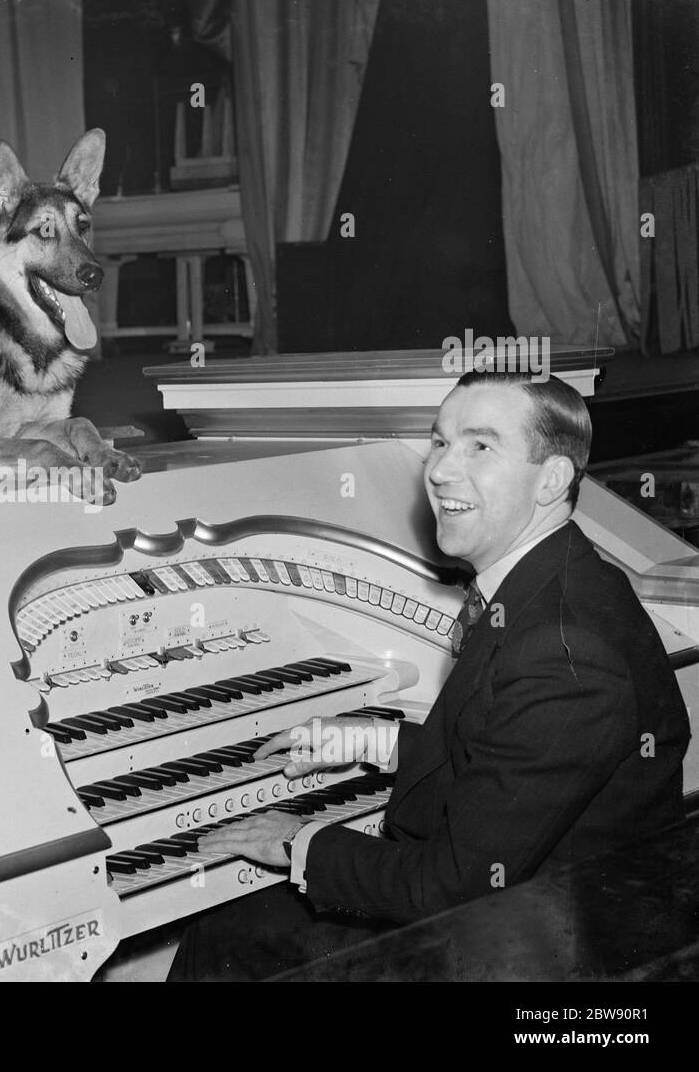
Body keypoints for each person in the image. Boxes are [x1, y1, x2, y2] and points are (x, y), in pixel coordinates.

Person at [168, 371, 690, 980]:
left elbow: (450, 887)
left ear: (551, 479)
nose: (440, 470)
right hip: (540, 903)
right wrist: (365, 739)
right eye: (439, 442)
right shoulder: (557, 577)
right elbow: (500, 752)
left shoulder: (565, 653)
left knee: (231, 934)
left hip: (549, 954)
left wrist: (297, 840)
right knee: (246, 921)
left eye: (480, 446)